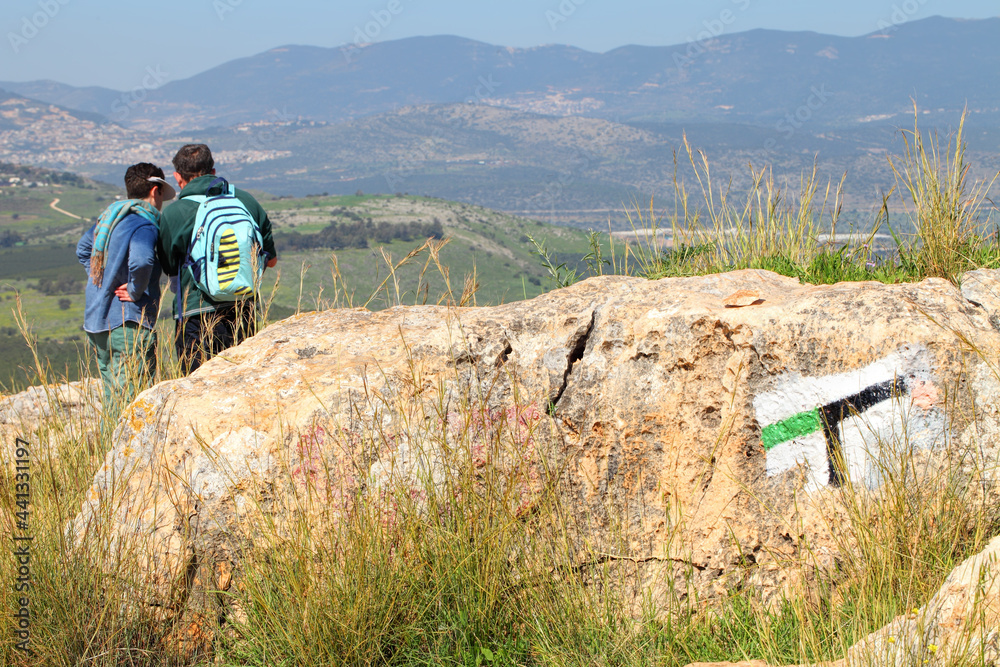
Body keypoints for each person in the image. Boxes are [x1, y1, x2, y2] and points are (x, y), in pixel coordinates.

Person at [157, 144, 277, 374]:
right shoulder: (246, 201)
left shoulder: (174, 213)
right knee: (242, 381)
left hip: (195, 313)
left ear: (177, 177)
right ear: (213, 172)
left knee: (196, 388)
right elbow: (270, 260)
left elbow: (170, 267)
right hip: (242, 308)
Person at [77, 162, 175, 418]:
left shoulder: (109, 219)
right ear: (155, 191)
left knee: (113, 398)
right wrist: (134, 289)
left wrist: (104, 277)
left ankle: (107, 452)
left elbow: (83, 250)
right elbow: (142, 260)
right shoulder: (144, 224)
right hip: (128, 322)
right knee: (134, 400)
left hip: (97, 321)